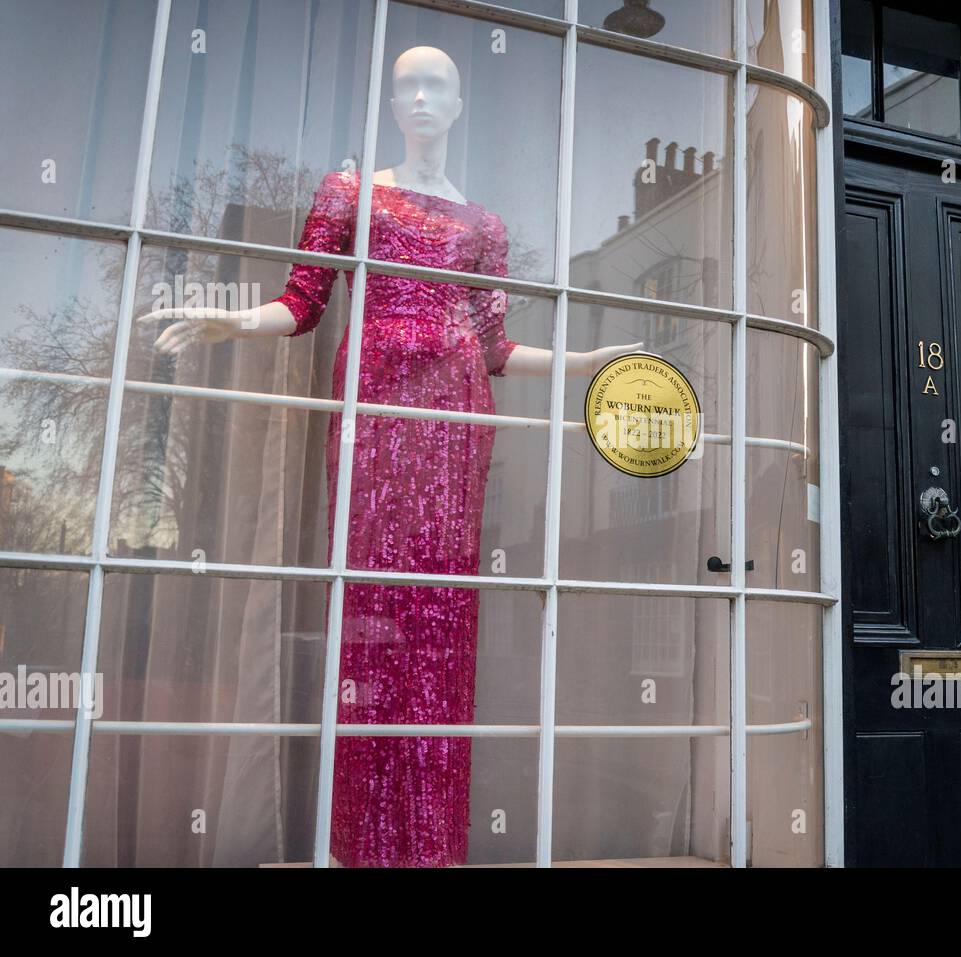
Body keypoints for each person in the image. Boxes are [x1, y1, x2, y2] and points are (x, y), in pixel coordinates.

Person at [138, 46, 640, 866]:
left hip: (454, 423)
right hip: (374, 411)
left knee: (439, 619)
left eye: (435, 83)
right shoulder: (351, 195)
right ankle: (358, 843)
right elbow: (303, 303)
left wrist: (584, 364)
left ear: (459, 102)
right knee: (369, 609)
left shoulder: (485, 225)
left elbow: (495, 347)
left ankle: (429, 845)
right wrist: (234, 320)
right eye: (404, 84)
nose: (418, 97)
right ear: (390, 101)